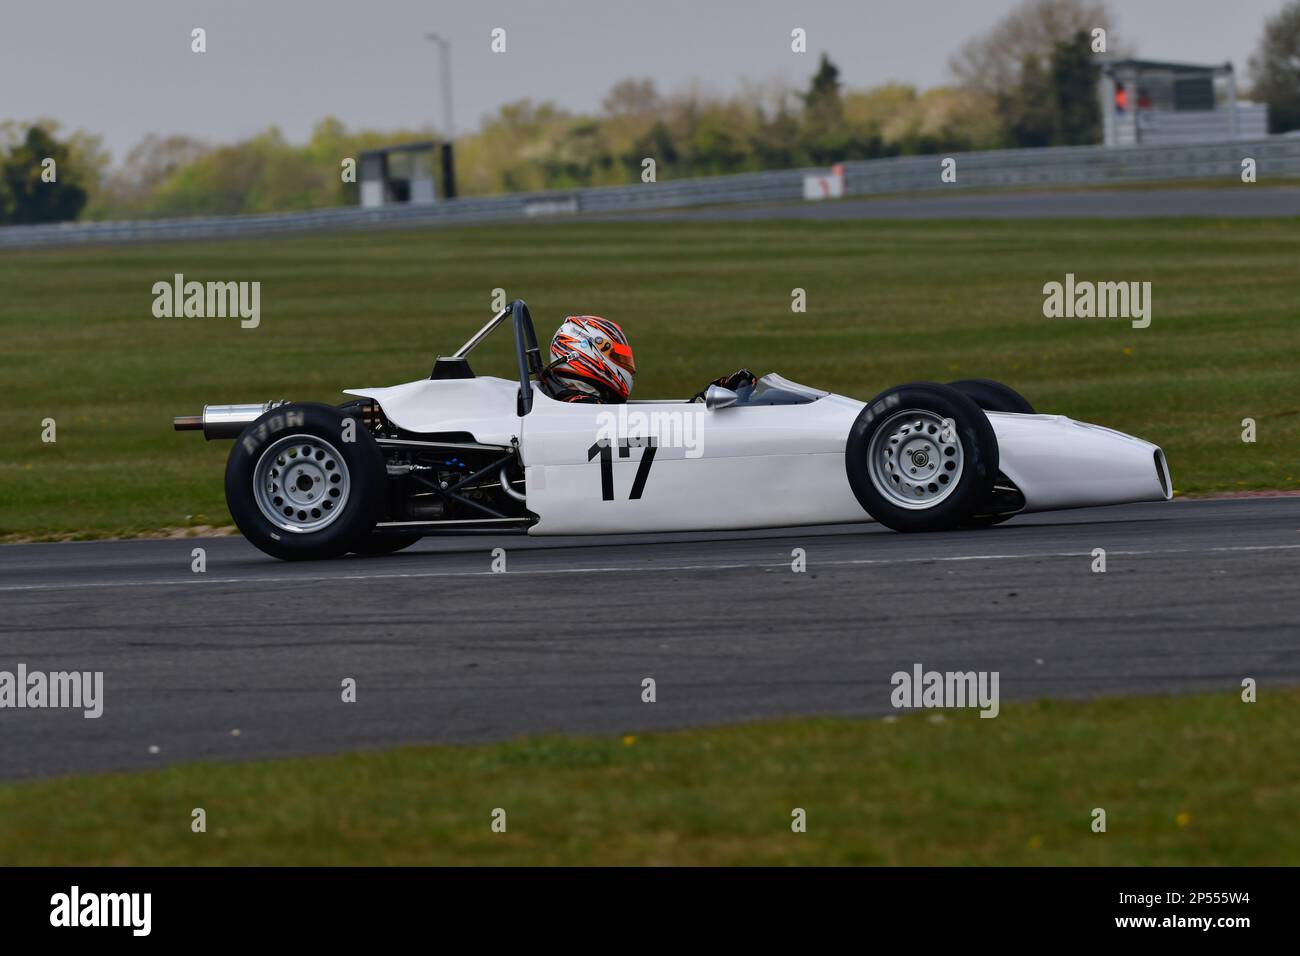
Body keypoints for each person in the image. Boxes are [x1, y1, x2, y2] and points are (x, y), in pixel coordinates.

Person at [540, 315, 756, 404]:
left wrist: (699, 402)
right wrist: (700, 404)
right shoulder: (582, 408)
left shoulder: (569, 400)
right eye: (616, 355)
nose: (626, 365)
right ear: (583, 353)